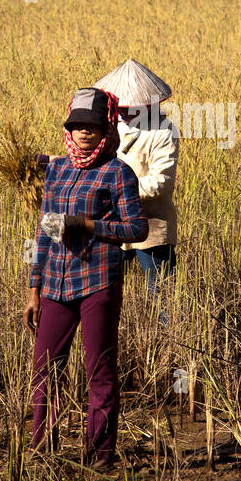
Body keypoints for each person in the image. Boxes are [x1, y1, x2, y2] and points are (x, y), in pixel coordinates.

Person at [25, 87, 147, 471]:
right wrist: (33, 290)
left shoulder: (117, 173)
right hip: (55, 288)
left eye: (92, 126)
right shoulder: (58, 169)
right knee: (44, 371)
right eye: (77, 125)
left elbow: (137, 228)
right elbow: (44, 232)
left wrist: (88, 225)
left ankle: (101, 457)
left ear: (107, 128)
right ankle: (41, 451)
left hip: (97, 283)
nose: (84, 133)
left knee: (99, 372)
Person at [93, 60, 179, 315]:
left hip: (151, 225)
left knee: (162, 297)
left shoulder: (163, 131)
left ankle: (170, 344)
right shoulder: (108, 128)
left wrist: (117, 192)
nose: (126, 111)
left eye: (133, 107)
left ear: (150, 104)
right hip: (113, 226)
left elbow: (160, 182)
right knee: (105, 295)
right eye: (122, 106)